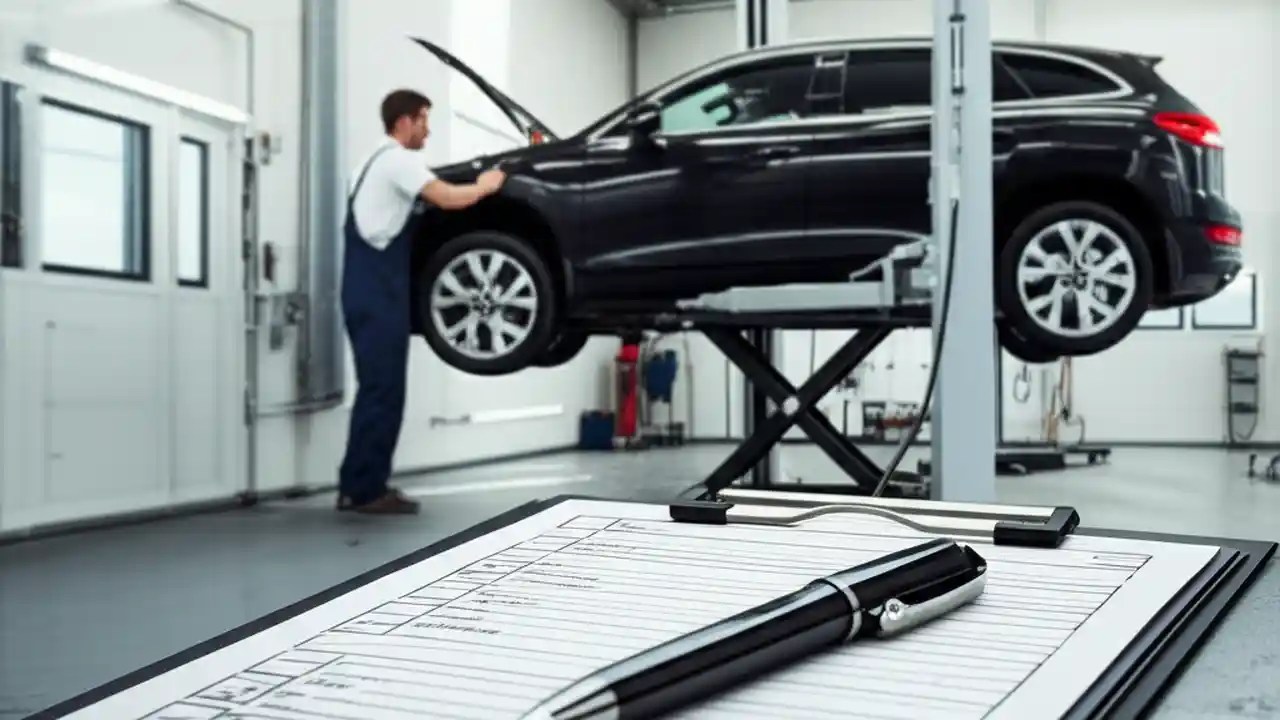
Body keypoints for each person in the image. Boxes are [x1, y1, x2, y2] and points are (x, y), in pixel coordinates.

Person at [337, 88, 506, 514]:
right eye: (425, 120)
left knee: (379, 390)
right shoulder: (397, 160)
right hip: (376, 294)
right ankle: (363, 491)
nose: (428, 130)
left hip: (367, 290)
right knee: (382, 391)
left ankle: (360, 484)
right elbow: (447, 197)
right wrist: (486, 185)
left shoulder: (368, 165)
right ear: (405, 121)